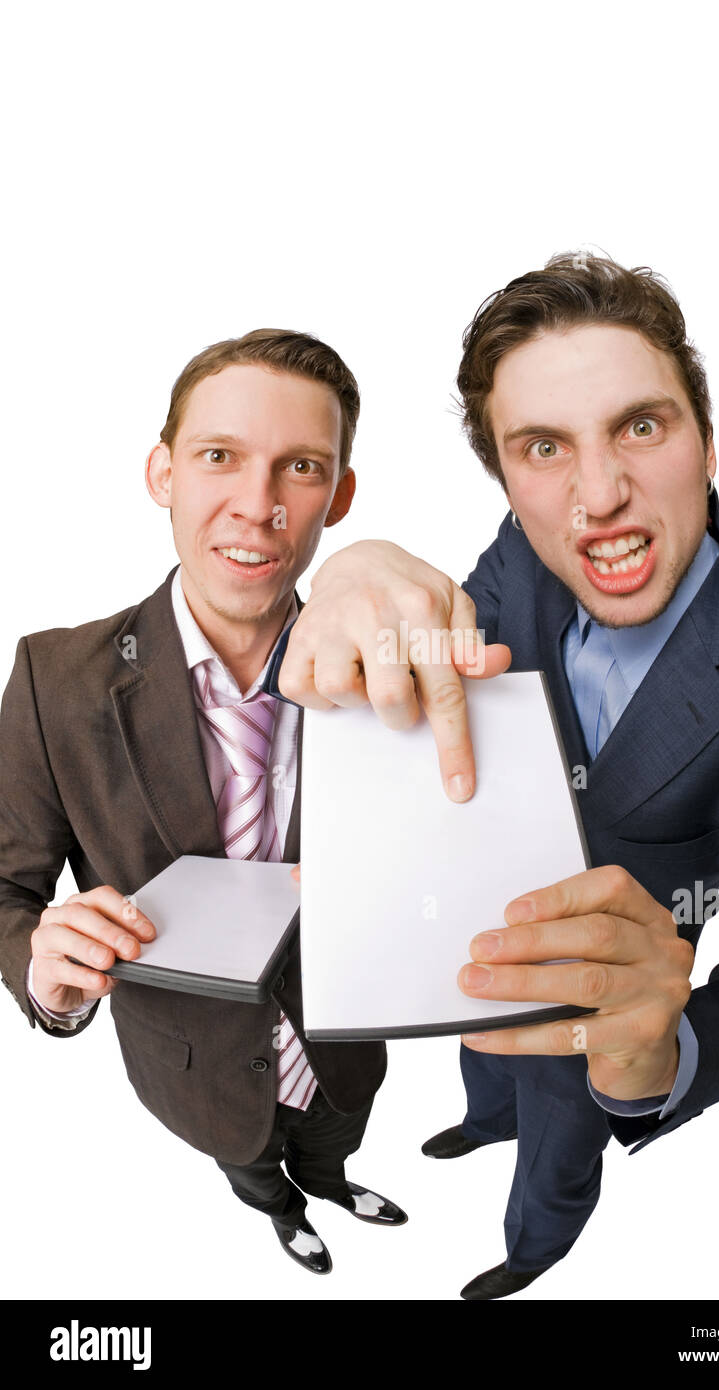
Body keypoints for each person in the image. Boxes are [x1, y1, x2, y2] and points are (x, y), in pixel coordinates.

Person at [264, 255, 719, 1299]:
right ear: (505, 478)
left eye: (640, 425)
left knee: (554, 1151)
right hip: (472, 950)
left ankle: (533, 1251)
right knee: (488, 1074)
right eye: (544, 447)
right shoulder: (522, 553)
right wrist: (347, 581)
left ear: (705, 442)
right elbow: (433, 637)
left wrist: (660, 1055)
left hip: (608, 1016)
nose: (598, 497)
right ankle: (478, 1118)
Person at [0, 329, 406, 1278]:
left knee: (332, 1140)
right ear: (163, 472)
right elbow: (5, 889)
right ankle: (276, 1208)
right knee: (252, 1163)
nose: (257, 506)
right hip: (189, 1065)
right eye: (219, 456)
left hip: (346, 1040)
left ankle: (334, 1182)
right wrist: (43, 972)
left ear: (339, 495)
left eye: (299, 468)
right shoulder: (54, 678)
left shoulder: (396, 675)